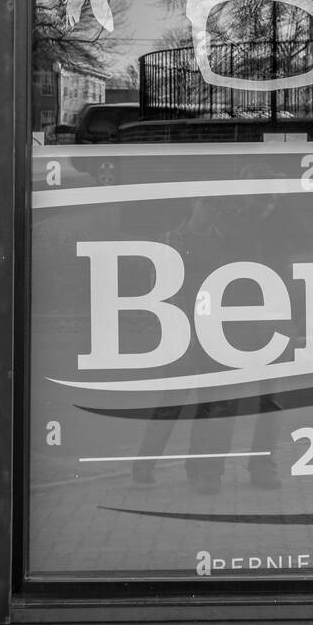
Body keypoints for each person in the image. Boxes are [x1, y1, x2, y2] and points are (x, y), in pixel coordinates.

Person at [131, 173, 283, 492]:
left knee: (207, 401)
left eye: (216, 204)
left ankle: (197, 466)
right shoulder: (172, 239)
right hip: (183, 330)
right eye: (206, 203)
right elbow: (157, 287)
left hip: (213, 330)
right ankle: (145, 463)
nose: (211, 209)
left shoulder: (223, 240)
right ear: (193, 203)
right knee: (175, 398)